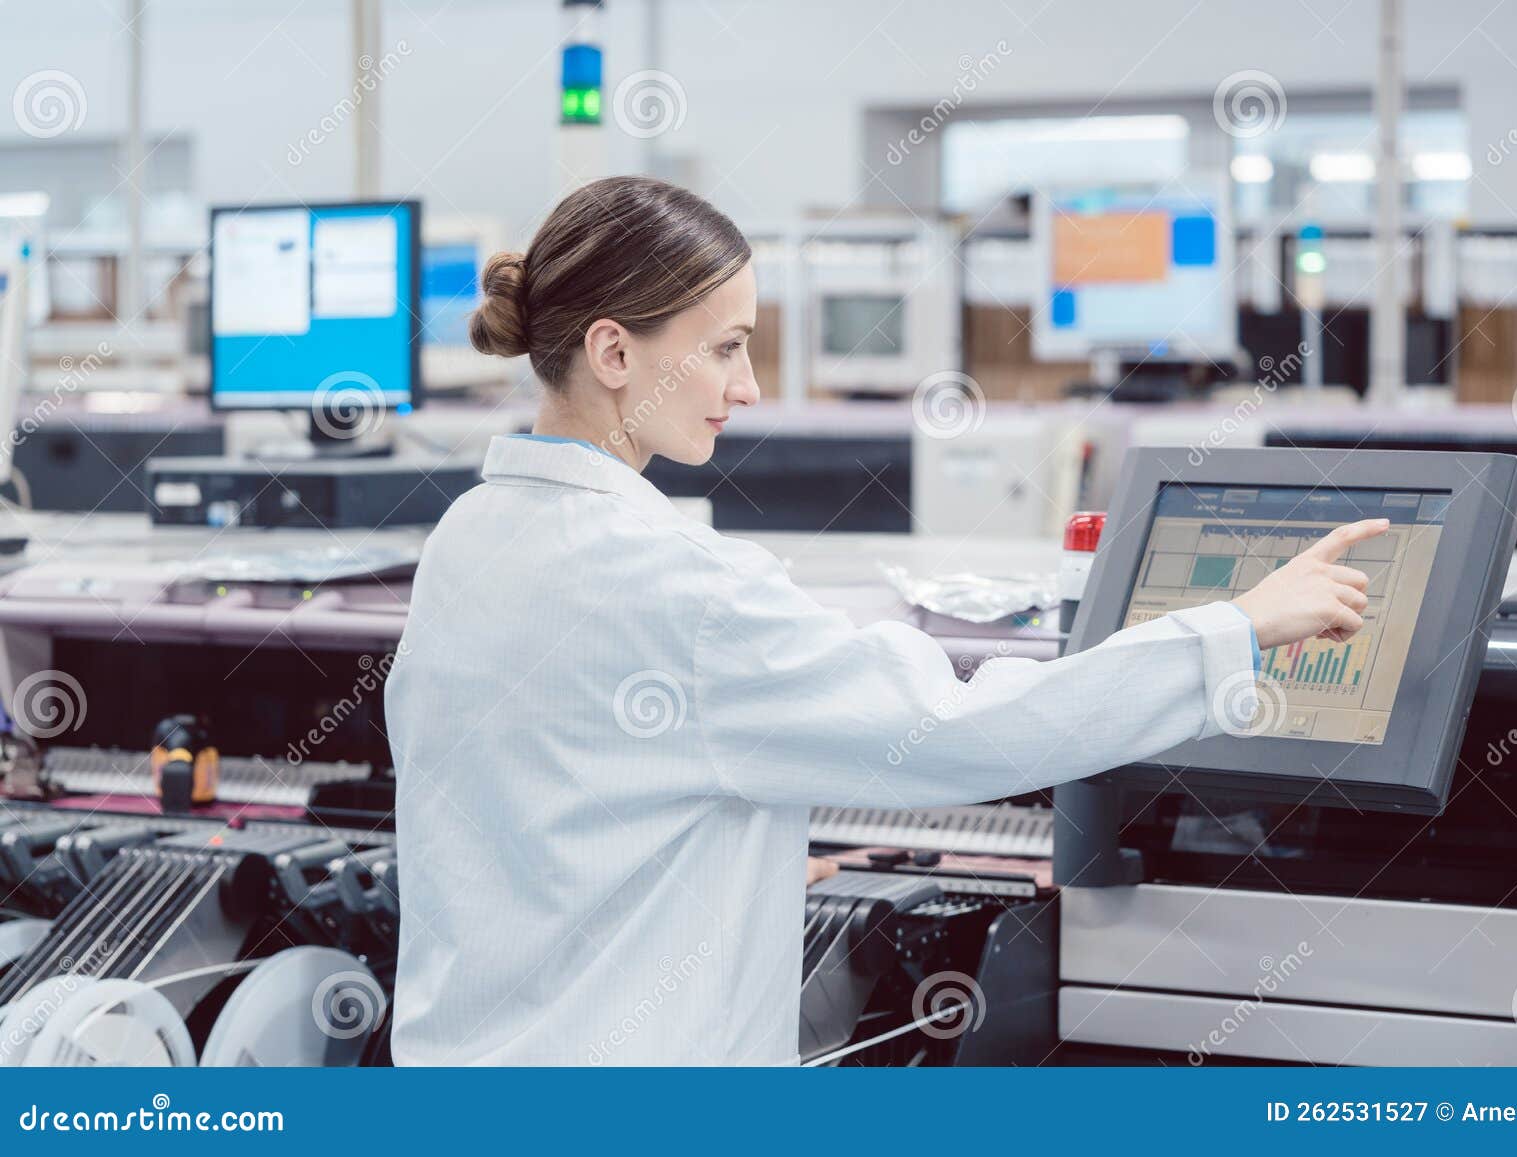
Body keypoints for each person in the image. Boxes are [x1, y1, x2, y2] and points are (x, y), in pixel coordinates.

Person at [383, 175, 1381, 1066]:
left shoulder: (469, 536)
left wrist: (739, 862)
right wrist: (1235, 629)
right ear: (611, 350)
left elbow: (544, 801)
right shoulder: (684, 584)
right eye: (725, 348)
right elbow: (962, 731)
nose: (749, 385)